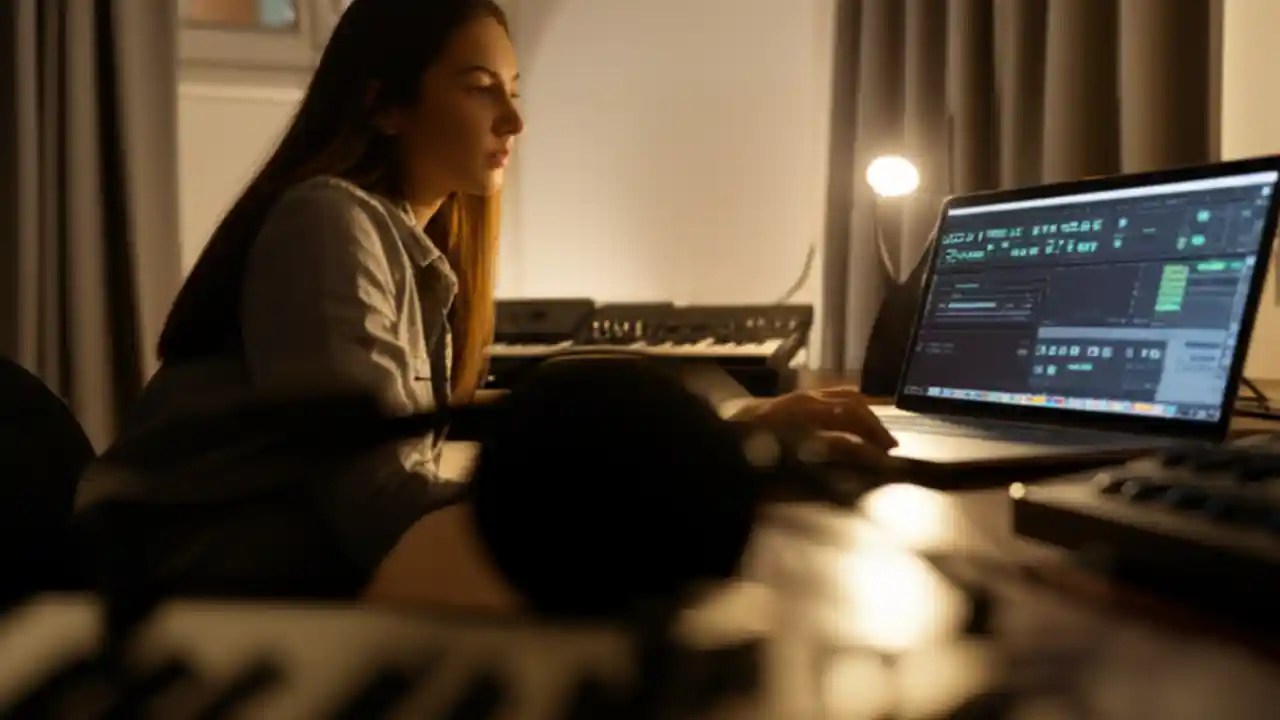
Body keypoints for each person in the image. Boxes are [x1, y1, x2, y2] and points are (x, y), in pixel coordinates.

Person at [74, 0, 896, 613]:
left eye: (513, 90)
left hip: (264, 579)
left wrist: (729, 429)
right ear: (383, 104)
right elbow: (379, 508)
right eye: (479, 90)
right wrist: (679, 477)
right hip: (181, 591)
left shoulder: (400, 242)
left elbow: (457, 433)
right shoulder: (326, 218)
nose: (514, 120)